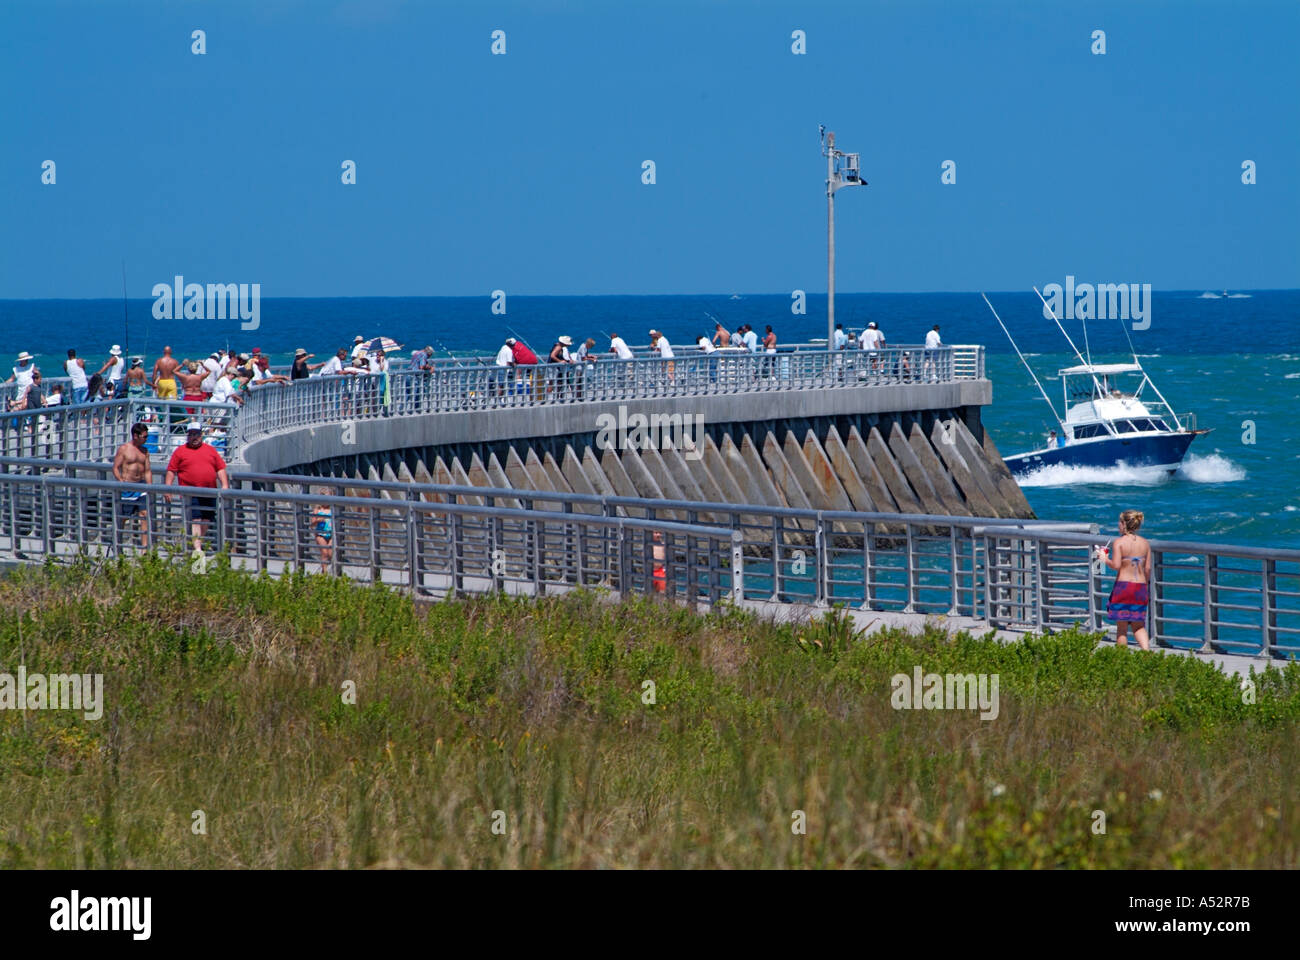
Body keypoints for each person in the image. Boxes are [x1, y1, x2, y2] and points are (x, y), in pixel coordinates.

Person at [164, 420, 230, 553]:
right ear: (188, 435)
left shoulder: (210, 450)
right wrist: (168, 488)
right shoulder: (180, 451)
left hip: (209, 492)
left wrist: (225, 485)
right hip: (190, 493)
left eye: (197, 434)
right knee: (196, 519)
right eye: (192, 434)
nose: (194, 437)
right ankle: (198, 549)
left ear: (202, 435)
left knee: (206, 519)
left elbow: (220, 468)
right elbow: (171, 470)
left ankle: (197, 542)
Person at [1095, 510, 1152, 651]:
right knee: (1139, 625)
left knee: (1122, 627)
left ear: (1123, 524)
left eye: (1119, 523)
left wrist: (1104, 559)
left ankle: (1122, 658)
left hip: (1124, 586)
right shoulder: (1145, 543)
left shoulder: (1119, 542)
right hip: (1140, 587)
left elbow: (1116, 565)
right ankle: (1147, 653)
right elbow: (1148, 569)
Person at [113, 422, 153, 548]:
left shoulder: (145, 451)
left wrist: (150, 487)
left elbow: (147, 470)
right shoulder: (124, 449)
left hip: (141, 486)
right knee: (124, 517)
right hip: (127, 487)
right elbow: (115, 467)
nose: (146, 439)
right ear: (136, 436)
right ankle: (117, 544)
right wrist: (121, 481)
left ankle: (144, 548)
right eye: (144, 437)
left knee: (144, 515)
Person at [312, 498, 334, 574]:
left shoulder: (333, 508)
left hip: (331, 533)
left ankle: (334, 571)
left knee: (331, 553)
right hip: (320, 534)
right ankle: (324, 572)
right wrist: (318, 520)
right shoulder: (317, 510)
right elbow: (312, 523)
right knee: (324, 553)